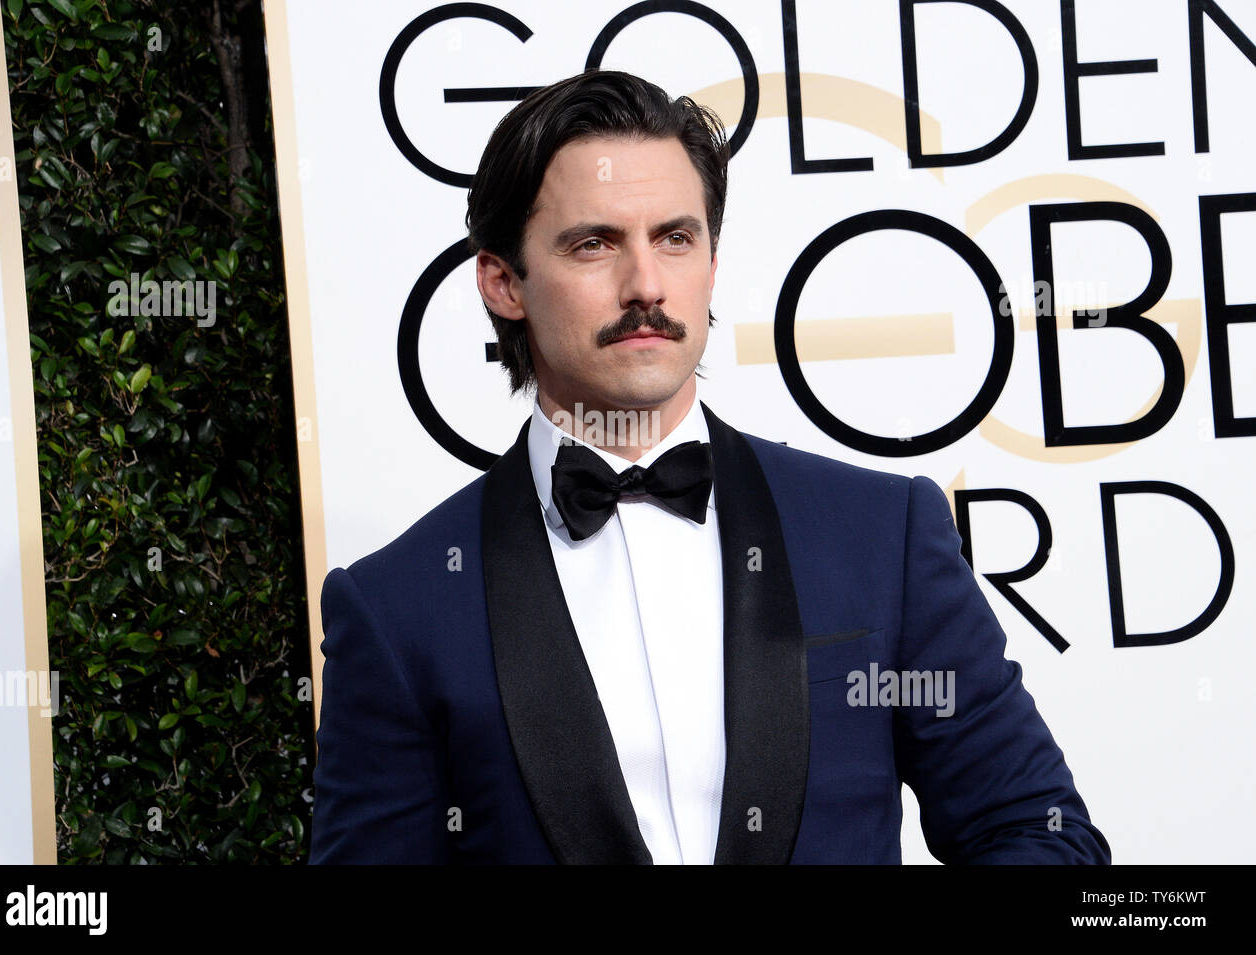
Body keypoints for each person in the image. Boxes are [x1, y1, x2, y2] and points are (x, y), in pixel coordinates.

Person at [309, 69, 1110, 865]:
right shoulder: (397, 609)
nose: (646, 285)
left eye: (675, 237)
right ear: (504, 282)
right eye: (594, 244)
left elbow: (1040, 834)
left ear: (713, 262)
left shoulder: (880, 535)